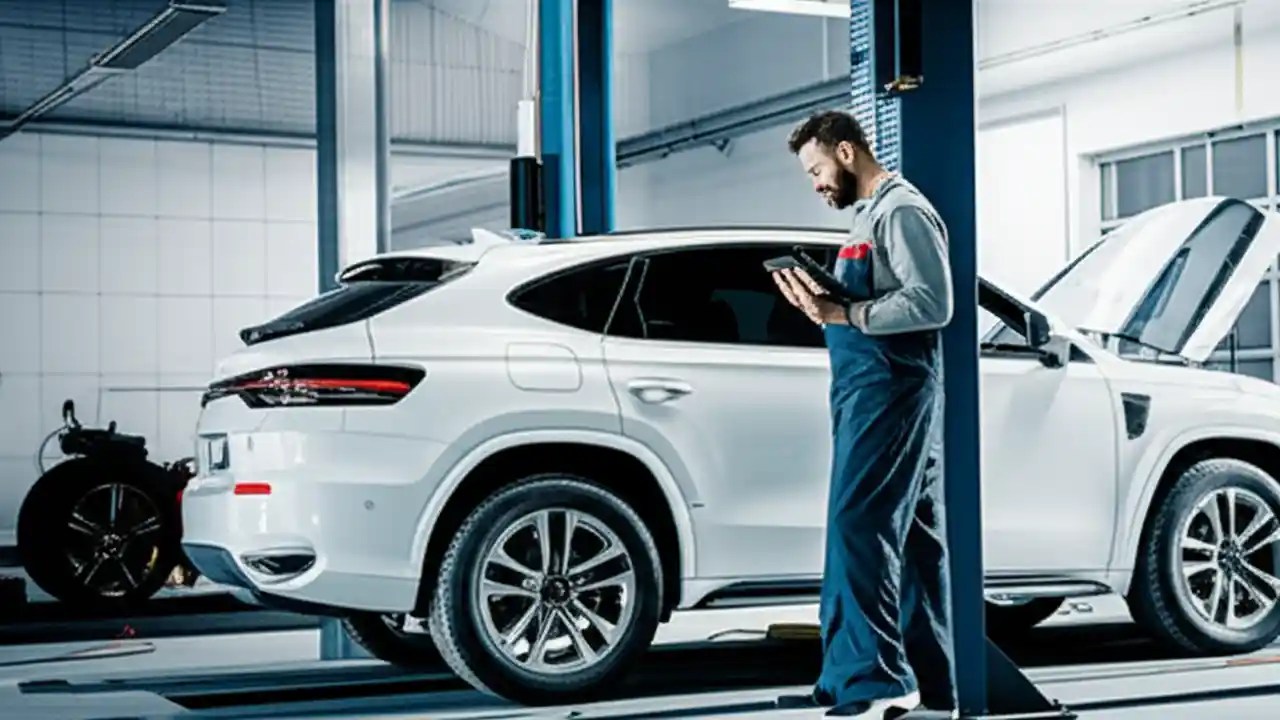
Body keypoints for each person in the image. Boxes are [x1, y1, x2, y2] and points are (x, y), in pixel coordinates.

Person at [771, 110, 958, 719]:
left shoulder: (902, 210)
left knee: (860, 526)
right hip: (865, 388)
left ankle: (876, 683)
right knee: (913, 540)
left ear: (846, 152)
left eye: (817, 170)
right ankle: (933, 689)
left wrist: (846, 315)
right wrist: (822, 303)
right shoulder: (868, 216)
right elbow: (877, 298)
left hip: (892, 389)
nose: (816, 183)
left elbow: (933, 302)